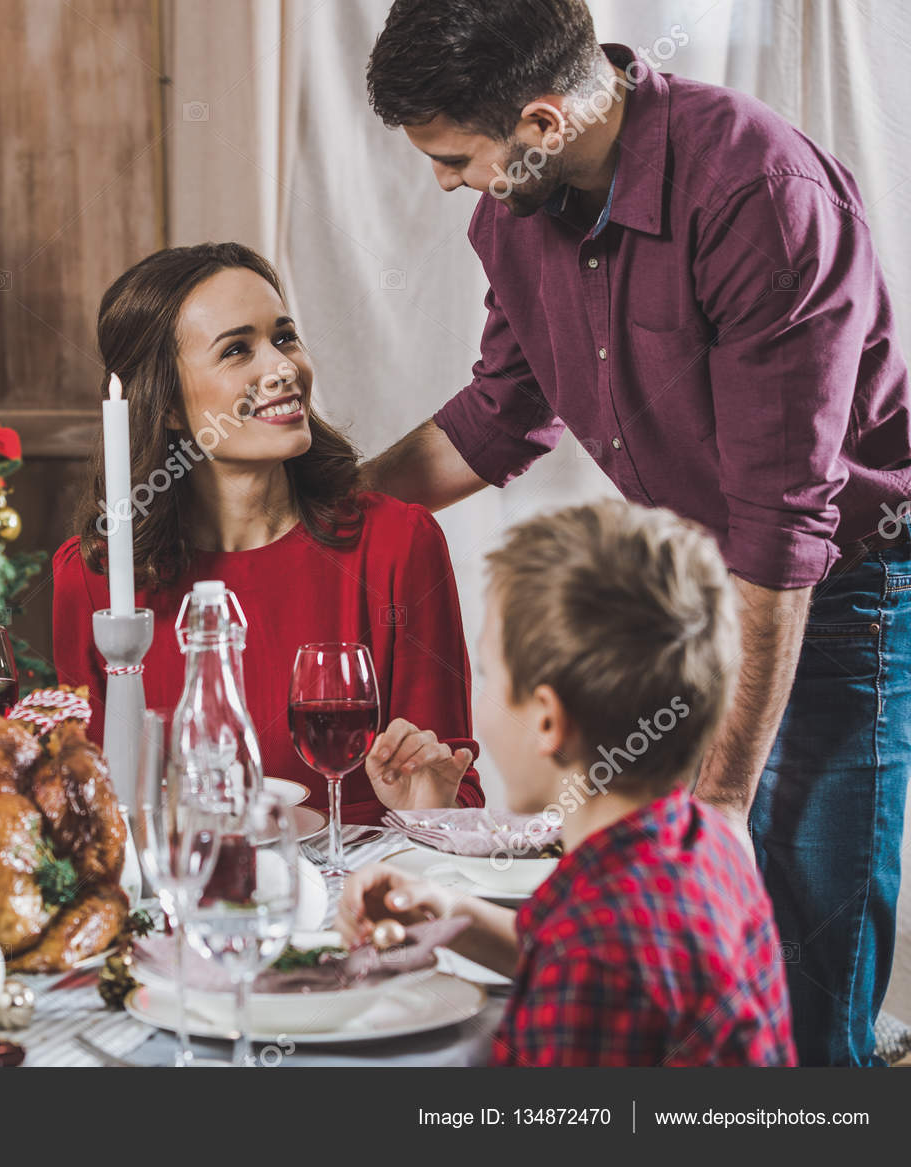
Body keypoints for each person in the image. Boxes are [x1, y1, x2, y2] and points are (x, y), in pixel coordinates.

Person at [362, 0, 910, 1066]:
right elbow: (496, 419)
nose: (443, 183)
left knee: (800, 929)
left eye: (453, 155)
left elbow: (782, 519)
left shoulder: (755, 191)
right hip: (699, 591)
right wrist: (324, 506)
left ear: (536, 121)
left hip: (843, 587)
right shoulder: (515, 213)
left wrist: (716, 806)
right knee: (661, 935)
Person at [340, 500, 796, 1066]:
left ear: (548, 722)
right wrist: (448, 911)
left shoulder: (593, 968)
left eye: (490, 677)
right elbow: (561, 941)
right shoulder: (698, 841)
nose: (482, 704)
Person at [53, 241, 483, 824]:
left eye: (284, 337)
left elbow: (453, 792)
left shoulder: (398, 545)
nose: (282, 368)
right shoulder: (94, 579)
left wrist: (430, 806)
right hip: (182, 901)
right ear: (169, 407)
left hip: (356, 901)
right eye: (237, 350)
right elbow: (95, 813)